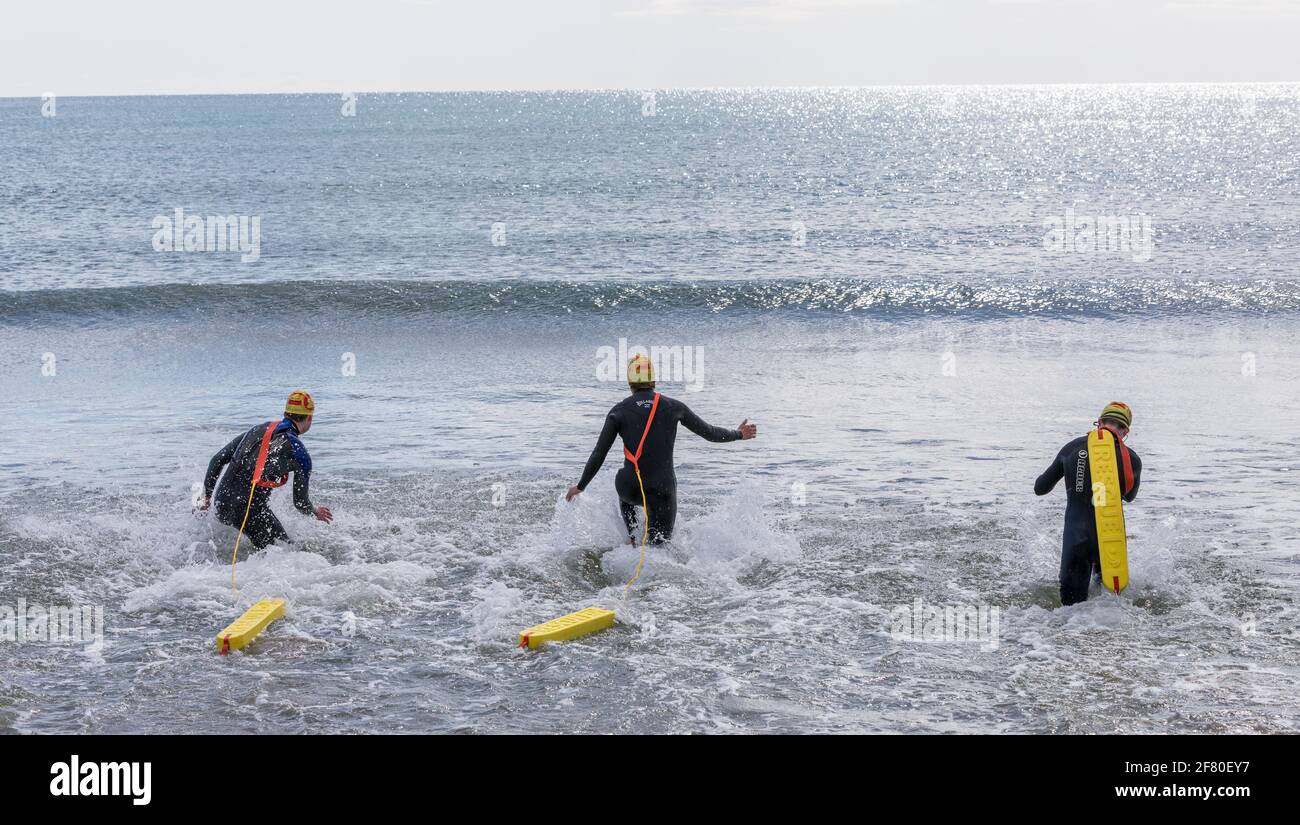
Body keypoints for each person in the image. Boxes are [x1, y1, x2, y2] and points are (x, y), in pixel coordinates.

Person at [566, 355, 757, 544]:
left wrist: (580, 486)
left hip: (630, 487)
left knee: (624, 486)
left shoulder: (619, 411)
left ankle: (632, 539)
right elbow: (709, 433)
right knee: (660, 548)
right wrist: (739, 434)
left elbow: (599, 453)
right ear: (654, 381)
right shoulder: (674, 407)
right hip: (662, 489)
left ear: (629, 382)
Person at [1034, 401, 1142, 605]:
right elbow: (1129, 496)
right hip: (1111, 542)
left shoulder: (1072, 448)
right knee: (1109, 607)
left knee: (1071, 611)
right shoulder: (1133, 460)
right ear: (1126, 430)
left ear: (1099, 422)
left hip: (1076, 538)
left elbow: (1041, 488)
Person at [198, 389, 332, 550]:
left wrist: (206, 498)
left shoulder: (257, 429)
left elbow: (217, 460)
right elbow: (300, 503)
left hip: (221, 504)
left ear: (285, 413)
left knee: (260, 541)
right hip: (248, 511)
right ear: (309, 418)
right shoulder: (299, 453)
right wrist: (315, 511)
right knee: (286, 550)